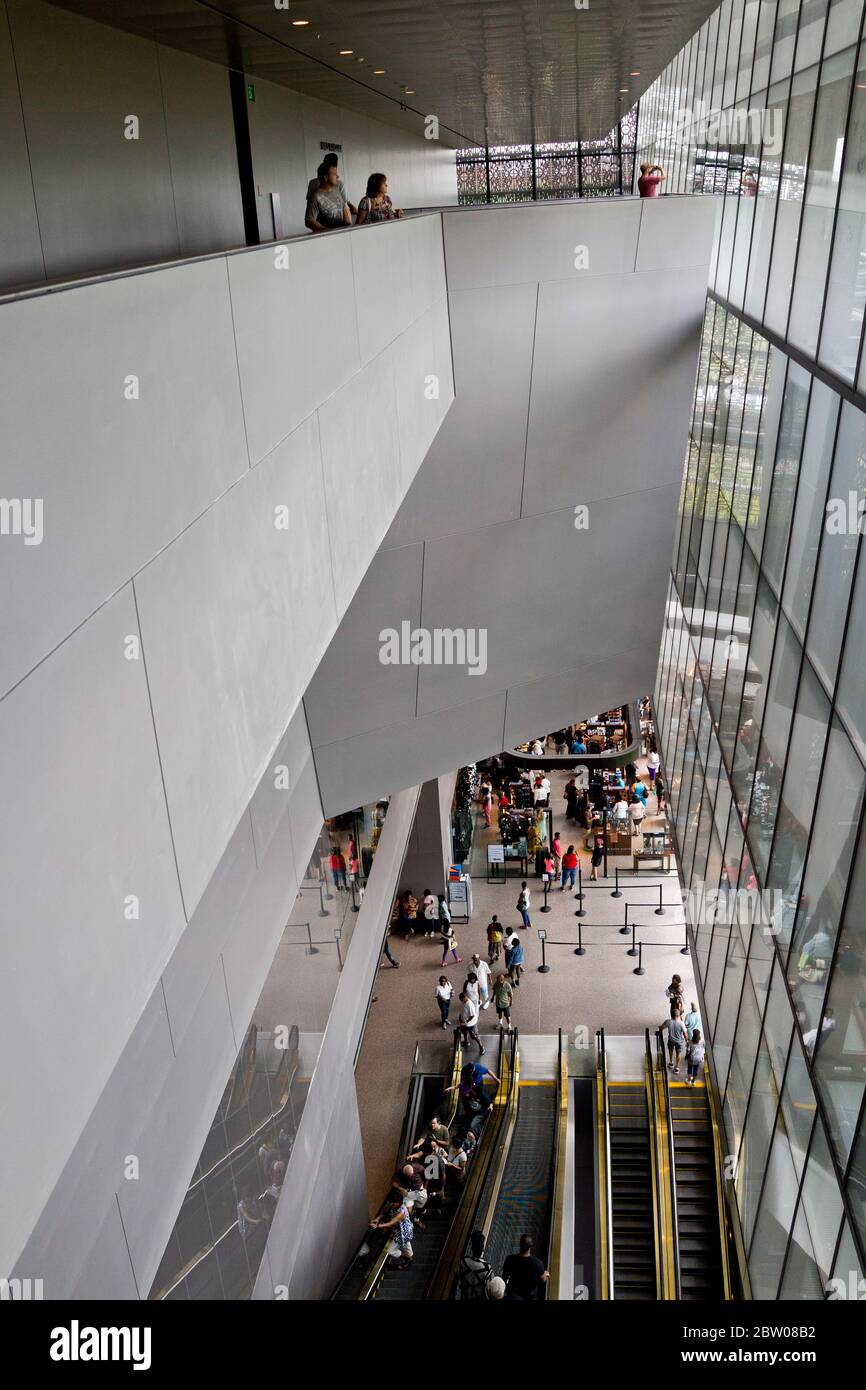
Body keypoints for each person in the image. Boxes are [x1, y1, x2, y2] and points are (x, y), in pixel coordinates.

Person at [305, 150, 355, 215]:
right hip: (334, 219)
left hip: (317, 218)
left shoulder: (312, 182)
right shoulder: (339, 184)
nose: (337, 176)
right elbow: (346, 204)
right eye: (334, 173)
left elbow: (309, 205)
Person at [305, 162, 352, 232]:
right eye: (334, 174)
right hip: (327, 238)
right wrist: (328, 231)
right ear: (326, 177)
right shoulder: (315, 196)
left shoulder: (337, 190)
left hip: (341, 234)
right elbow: (309, 221)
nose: (337, 176)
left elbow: (344, 209)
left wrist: (348, 224)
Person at [502, 1234, 549, 1300]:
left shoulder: (510, 1259)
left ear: (520, 1244)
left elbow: (504, 1277)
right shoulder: (537, 1263)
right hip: (529, 1297)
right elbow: (543, 1280)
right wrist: (545, 1274)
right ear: (531, 1247)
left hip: (512, 1296)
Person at [372, 1199, 414, 1270]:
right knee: (406, 1245)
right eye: (393, 1202)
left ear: (400, 1203)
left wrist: (378, 1226)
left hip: (403, 1232)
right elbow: (385, 1212)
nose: (393, 1204)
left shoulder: (401, 1212)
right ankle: (409, 1257)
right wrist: (378, 1218)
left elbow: (391, 1223)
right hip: (397, 1230)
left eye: (395, 1202)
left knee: (391, 1251)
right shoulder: (392, 1205)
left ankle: (408, 1258)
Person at [459, 1230, 493, 1300]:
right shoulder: (487, 1268)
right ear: (483, 1249)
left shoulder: (463, 1262)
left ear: (472, 1247)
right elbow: (490, 1291)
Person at [664, 1007, 688, 1074]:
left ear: (671, 1015)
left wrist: (659, 1029)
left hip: (671, 1040)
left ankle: (671, 1062)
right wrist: (687, 1040)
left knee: (670, 1051)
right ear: (679, 1015)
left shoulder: (668, 1022)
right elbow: (685, 1034)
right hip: (679, 1042)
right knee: (678, 1053)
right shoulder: (681, 1023)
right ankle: (677, 1067)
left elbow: (662, 1027)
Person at [439, 896, 462, 965]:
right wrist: (454, 939)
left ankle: (443, 961)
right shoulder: (450, 929)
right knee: (453, 950)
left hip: (445, 941)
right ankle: (457, 959)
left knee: (445, 951)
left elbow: (441, 933)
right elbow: (453, 936)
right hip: (450, 941)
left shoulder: (442, 927)